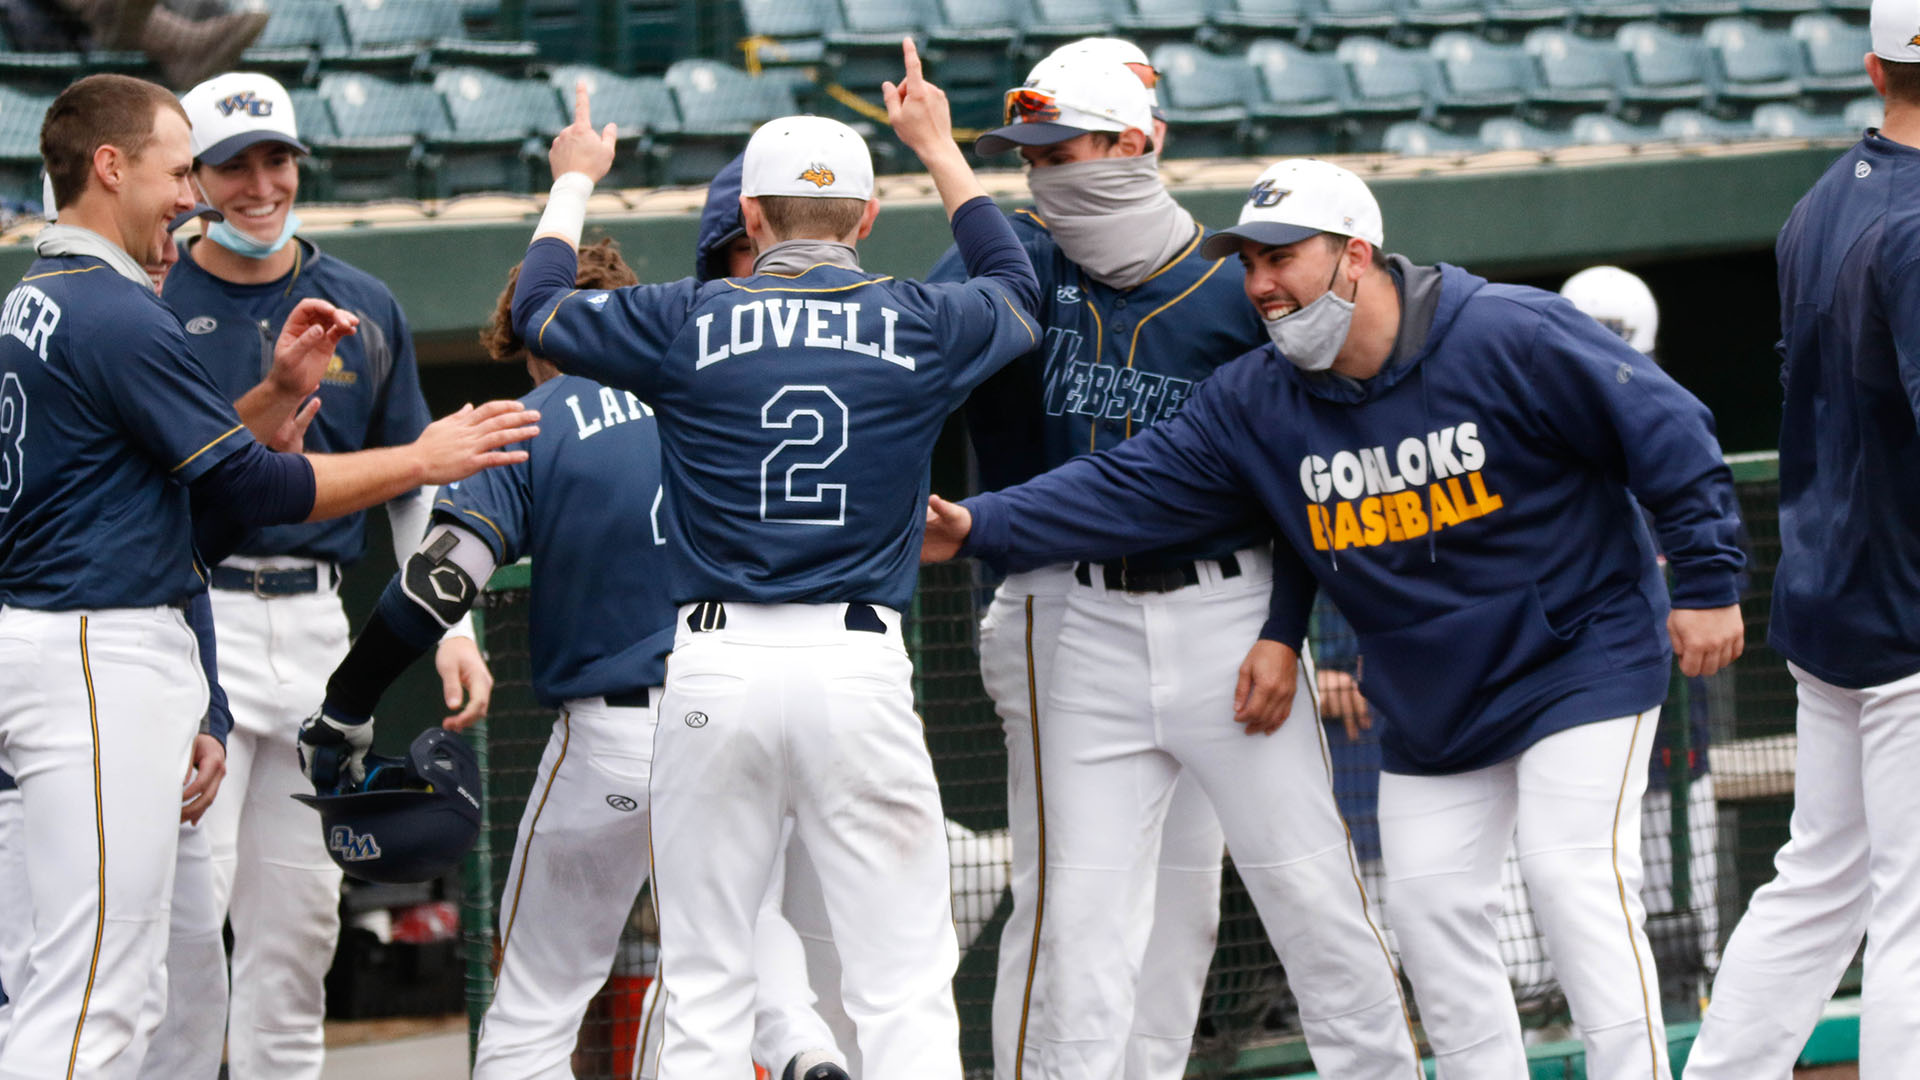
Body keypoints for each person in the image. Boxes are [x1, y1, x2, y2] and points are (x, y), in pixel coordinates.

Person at [921, 156, 1747, 1080]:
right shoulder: (1256, 397)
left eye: (1283, 258)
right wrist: (981, 522)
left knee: (1571, 878)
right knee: (1432, 924)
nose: (1262, 286)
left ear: (1356, 256)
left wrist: (1709, 582)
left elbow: (1668, 427)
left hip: (1578, 658)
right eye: (1248, 263)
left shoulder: (1507, 330)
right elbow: (1134, 481)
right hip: (1436, 700)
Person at [506, 44, 1040, 1074]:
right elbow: (1015, 282)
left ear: (748, 220)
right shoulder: (920, 319)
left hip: (713, 666)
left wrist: (574, 175)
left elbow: (536, 311)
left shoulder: (688, 316)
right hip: (860, 665)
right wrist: (936, 146)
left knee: (708, 980)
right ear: (866, 220)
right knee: (902, 988)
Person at [0, 72, 535, 1080]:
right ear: (115, 168)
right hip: (107, 638)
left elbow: (175, 483)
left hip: (172, 629)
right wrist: (426, 459)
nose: (215, 193)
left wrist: (277, 401)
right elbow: (246, 484)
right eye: (191, 169)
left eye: (271, 158)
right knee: (112, 987)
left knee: (185, 965)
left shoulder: (47, 297)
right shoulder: (119, 306)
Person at [934, 48, 1416, 1080]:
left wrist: (1288, 633)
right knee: (1081, 924)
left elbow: (1303, 490)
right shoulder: (1035, 260)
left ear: (1133, 143)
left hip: (1227, 613)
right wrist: (940, 156)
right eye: (1030, 154)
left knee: (1312, 900)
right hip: (1087, 620)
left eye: (1063, 149)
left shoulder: (1240, 291)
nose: (1045, 171)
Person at [300, 233, 853, 1080]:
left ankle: (793, 1035)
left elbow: (438, 588)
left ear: (525, 345)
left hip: (617, 737)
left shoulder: (530, 420)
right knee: (722, 970)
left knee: (536, 1006)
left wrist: (349, 702)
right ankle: (803, 1046)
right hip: (754, 714)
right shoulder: (726, 396)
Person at [156, 70, 490, 1080]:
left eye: (277, 159)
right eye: (233, 166)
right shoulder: (157, 294)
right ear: (199, 179)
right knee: (182, 930)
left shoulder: (366, 301)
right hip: (193, 612)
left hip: (314, 626)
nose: (260, 183)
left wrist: (455, 627)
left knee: (300, 931)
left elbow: (413, 484)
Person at [1685, 4, 1920, 1074]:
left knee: (1821, 878)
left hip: (1833, 595)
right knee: (1907, 910)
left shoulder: (1820, 203)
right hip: (1909, 607)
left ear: (1875, 68)